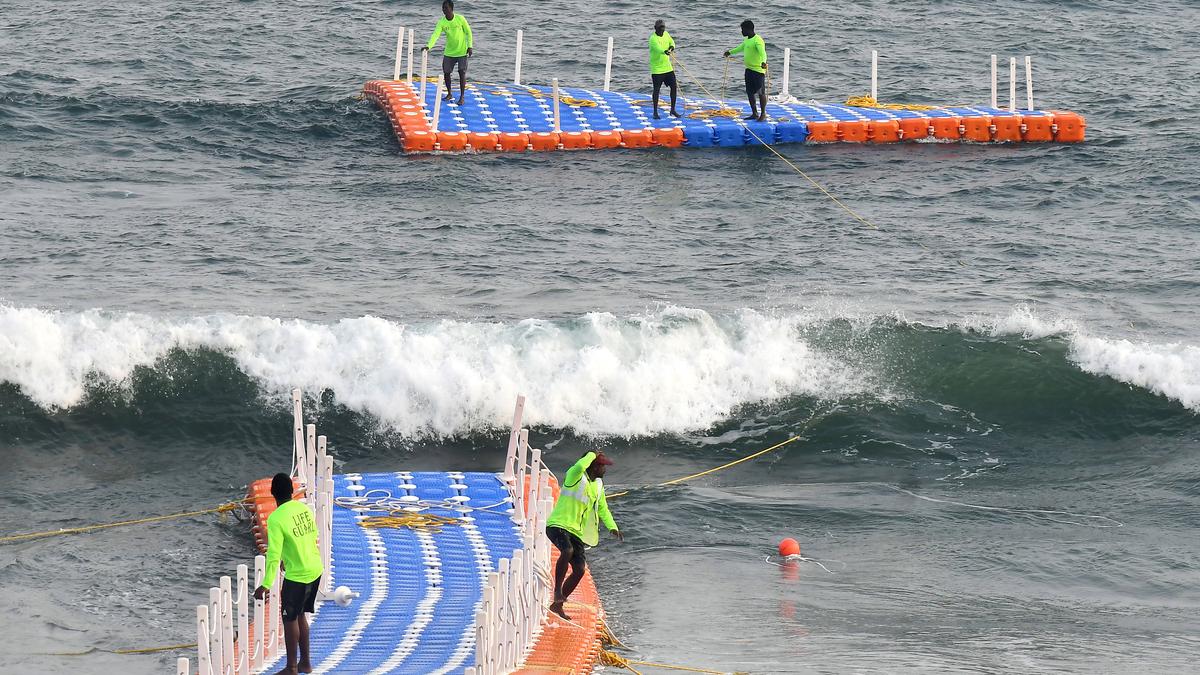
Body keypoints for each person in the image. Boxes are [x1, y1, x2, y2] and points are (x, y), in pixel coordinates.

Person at [254, 473, 323, 675]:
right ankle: (306, 663)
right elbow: (311, 536)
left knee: (290, 618)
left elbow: (273, 554)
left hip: (298, 576)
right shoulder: (303, 509)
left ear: (273, 493)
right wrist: (289, 558)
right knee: (300, 615)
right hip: (315, 569)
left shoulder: (276, 519)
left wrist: (265, 584)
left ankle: (292, 667)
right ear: (292, 491)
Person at [545, 450, 622, 620]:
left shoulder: (598, 485)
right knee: (567, 550)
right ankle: (557, 591)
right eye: (602, 466)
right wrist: (592, 454)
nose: (605, 470)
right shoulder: (575, 476)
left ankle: (557, 605)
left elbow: (603, 509)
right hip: (557, 525)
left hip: (576, 532)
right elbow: (580, 466)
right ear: (593, 466)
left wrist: (612, 527)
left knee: (579, 569)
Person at [422, 0, 474, 106]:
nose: (444, 10)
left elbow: (468, 32)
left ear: (451, 8)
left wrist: (470, 46)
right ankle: (449, 93)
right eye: (443, 8)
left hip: (462, 51)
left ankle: (462, 97)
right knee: (446, 72)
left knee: (461, 72)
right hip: (449, 52)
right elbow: (435, 35)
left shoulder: (460, 19)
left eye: (446, 8)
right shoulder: (442, 22)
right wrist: (429, 46)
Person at [723, 19, 768, 122]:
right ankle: (754, 113)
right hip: (749, 70)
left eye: (743, 29)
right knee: (749, 92)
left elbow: (763, 53)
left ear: (749, 29)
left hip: (758, 71)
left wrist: (764, 62)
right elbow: (740, 48)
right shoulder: (747, 40)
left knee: (761, 92)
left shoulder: (757, 40)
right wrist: (730, 52)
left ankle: (763, 114)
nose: (742, 32)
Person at [648, 19, 679, 119]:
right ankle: (655, 112)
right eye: (660, 28)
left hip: (667, 67)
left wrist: (671, 47)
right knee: (656, 89)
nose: (662, 29)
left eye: (663, 27)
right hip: (657, 69)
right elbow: (658, 49)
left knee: (674, 86)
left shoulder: (666, 34)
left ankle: (673, 110)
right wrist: (665, 51)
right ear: (655, 28)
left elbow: (671, 42)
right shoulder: (653, 39)